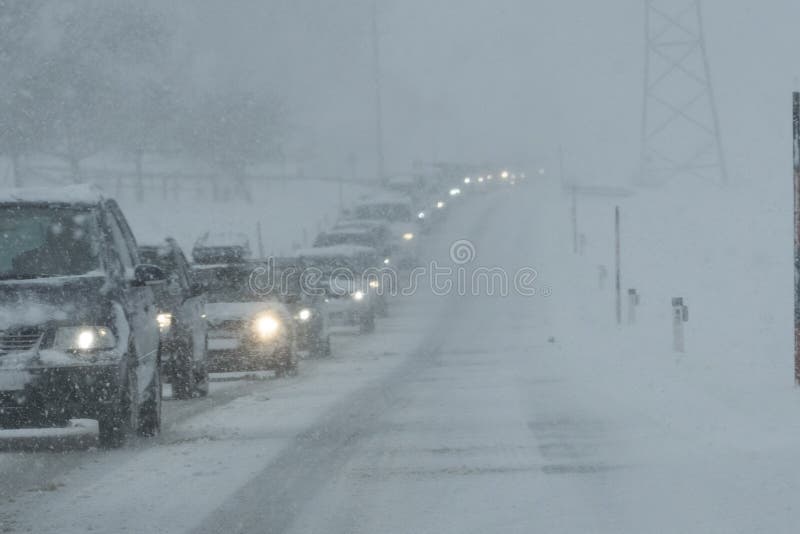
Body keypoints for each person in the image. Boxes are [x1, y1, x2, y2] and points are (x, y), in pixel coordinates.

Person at [12, 216, 97, 277]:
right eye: (64, 231)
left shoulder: (94, 260)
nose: (69, 235)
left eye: (75, 230)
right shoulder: (29, 259)